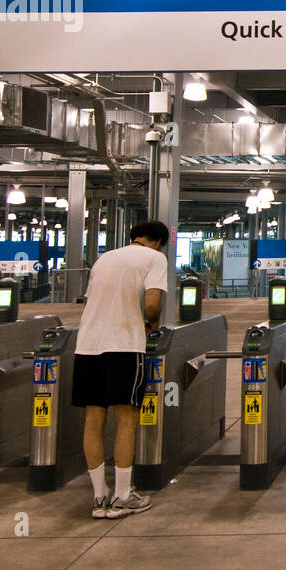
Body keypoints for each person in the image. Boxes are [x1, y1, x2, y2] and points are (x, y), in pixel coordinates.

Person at [73, 219, 170, 518]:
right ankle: (123, 496)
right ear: (157, 241)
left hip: (87, 345)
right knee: (126, 419)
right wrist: (150, 323)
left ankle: (99, 497)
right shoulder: (155, 258)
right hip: (125, 345)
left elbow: (91, 301)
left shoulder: (104, 259)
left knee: (93, 420)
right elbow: (153, 303)